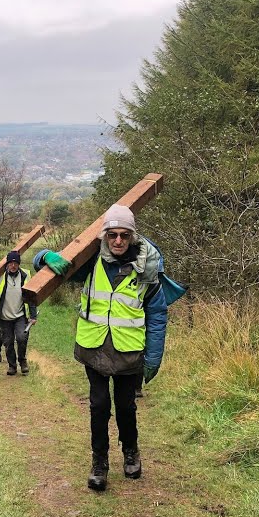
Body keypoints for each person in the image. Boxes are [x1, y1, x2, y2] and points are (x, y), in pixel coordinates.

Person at [34, 205, 168, 491]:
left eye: (124, 235)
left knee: (125, 406)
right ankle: (99, 463)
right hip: (93, 347)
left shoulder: (147, 270)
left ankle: (130, 451)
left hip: (129, 351)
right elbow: (50, 269)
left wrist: (154, 356)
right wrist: (43, 256)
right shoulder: (91, 263)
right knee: (98, 405)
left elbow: (157, 315)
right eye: (112, 235)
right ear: (104, 236)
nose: (118, 241)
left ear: (132, 236)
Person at [0, 251, 38, 376]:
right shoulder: (0, 276)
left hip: (20, 316)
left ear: (19, 264)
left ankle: (22, 361)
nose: (13, 265)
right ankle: (12, 366)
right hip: (4, 317)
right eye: (11, 263)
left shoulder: (25, 275)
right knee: (7, 342)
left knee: (21, 338)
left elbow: (31, 296)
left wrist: (33, 316)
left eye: (15, 263)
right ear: (7, 264)